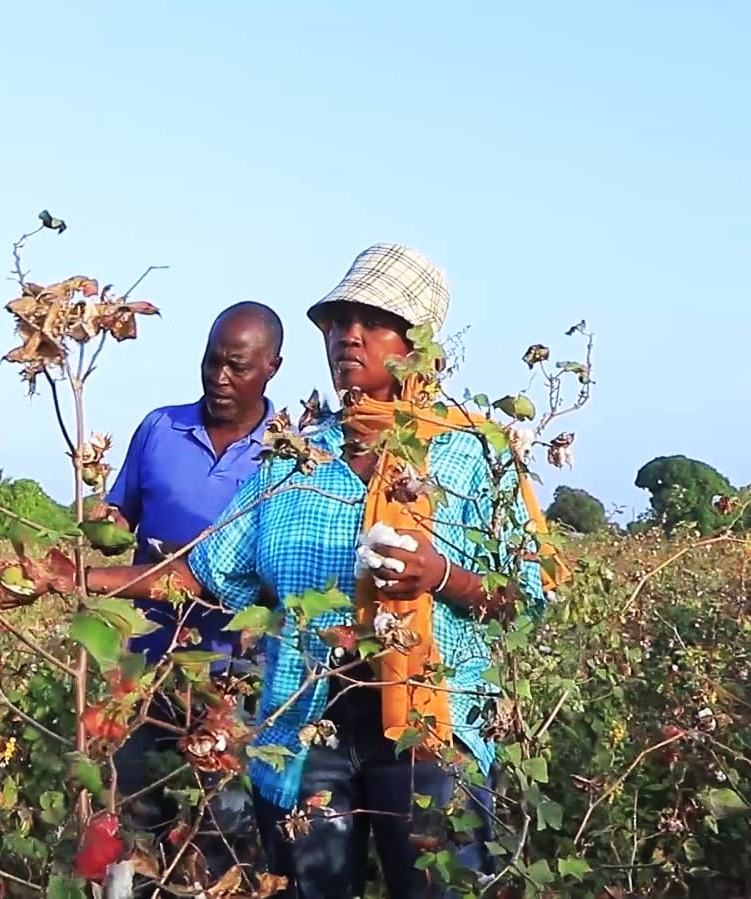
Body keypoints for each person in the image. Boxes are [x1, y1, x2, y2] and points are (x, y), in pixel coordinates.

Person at [77, 244, 560, 899]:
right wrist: (75, 579)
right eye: (337, 321)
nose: (348, 337)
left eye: (371, 321)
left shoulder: (473, 452)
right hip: (307, 726)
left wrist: (440, 575)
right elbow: (203, 573)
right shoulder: (295, 458)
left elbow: (523, 595)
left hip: (425, 732)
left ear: (418, 343)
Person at [92, 301, 281, 879]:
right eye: (211, 363)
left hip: (234, 671)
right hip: (145, 659)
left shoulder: (288, 452)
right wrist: (100, 525)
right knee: (132, 813)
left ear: (271, 368)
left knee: (219, 822)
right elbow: (118, 516)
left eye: (237, 367)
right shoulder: (159, 427)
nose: (220, 379)